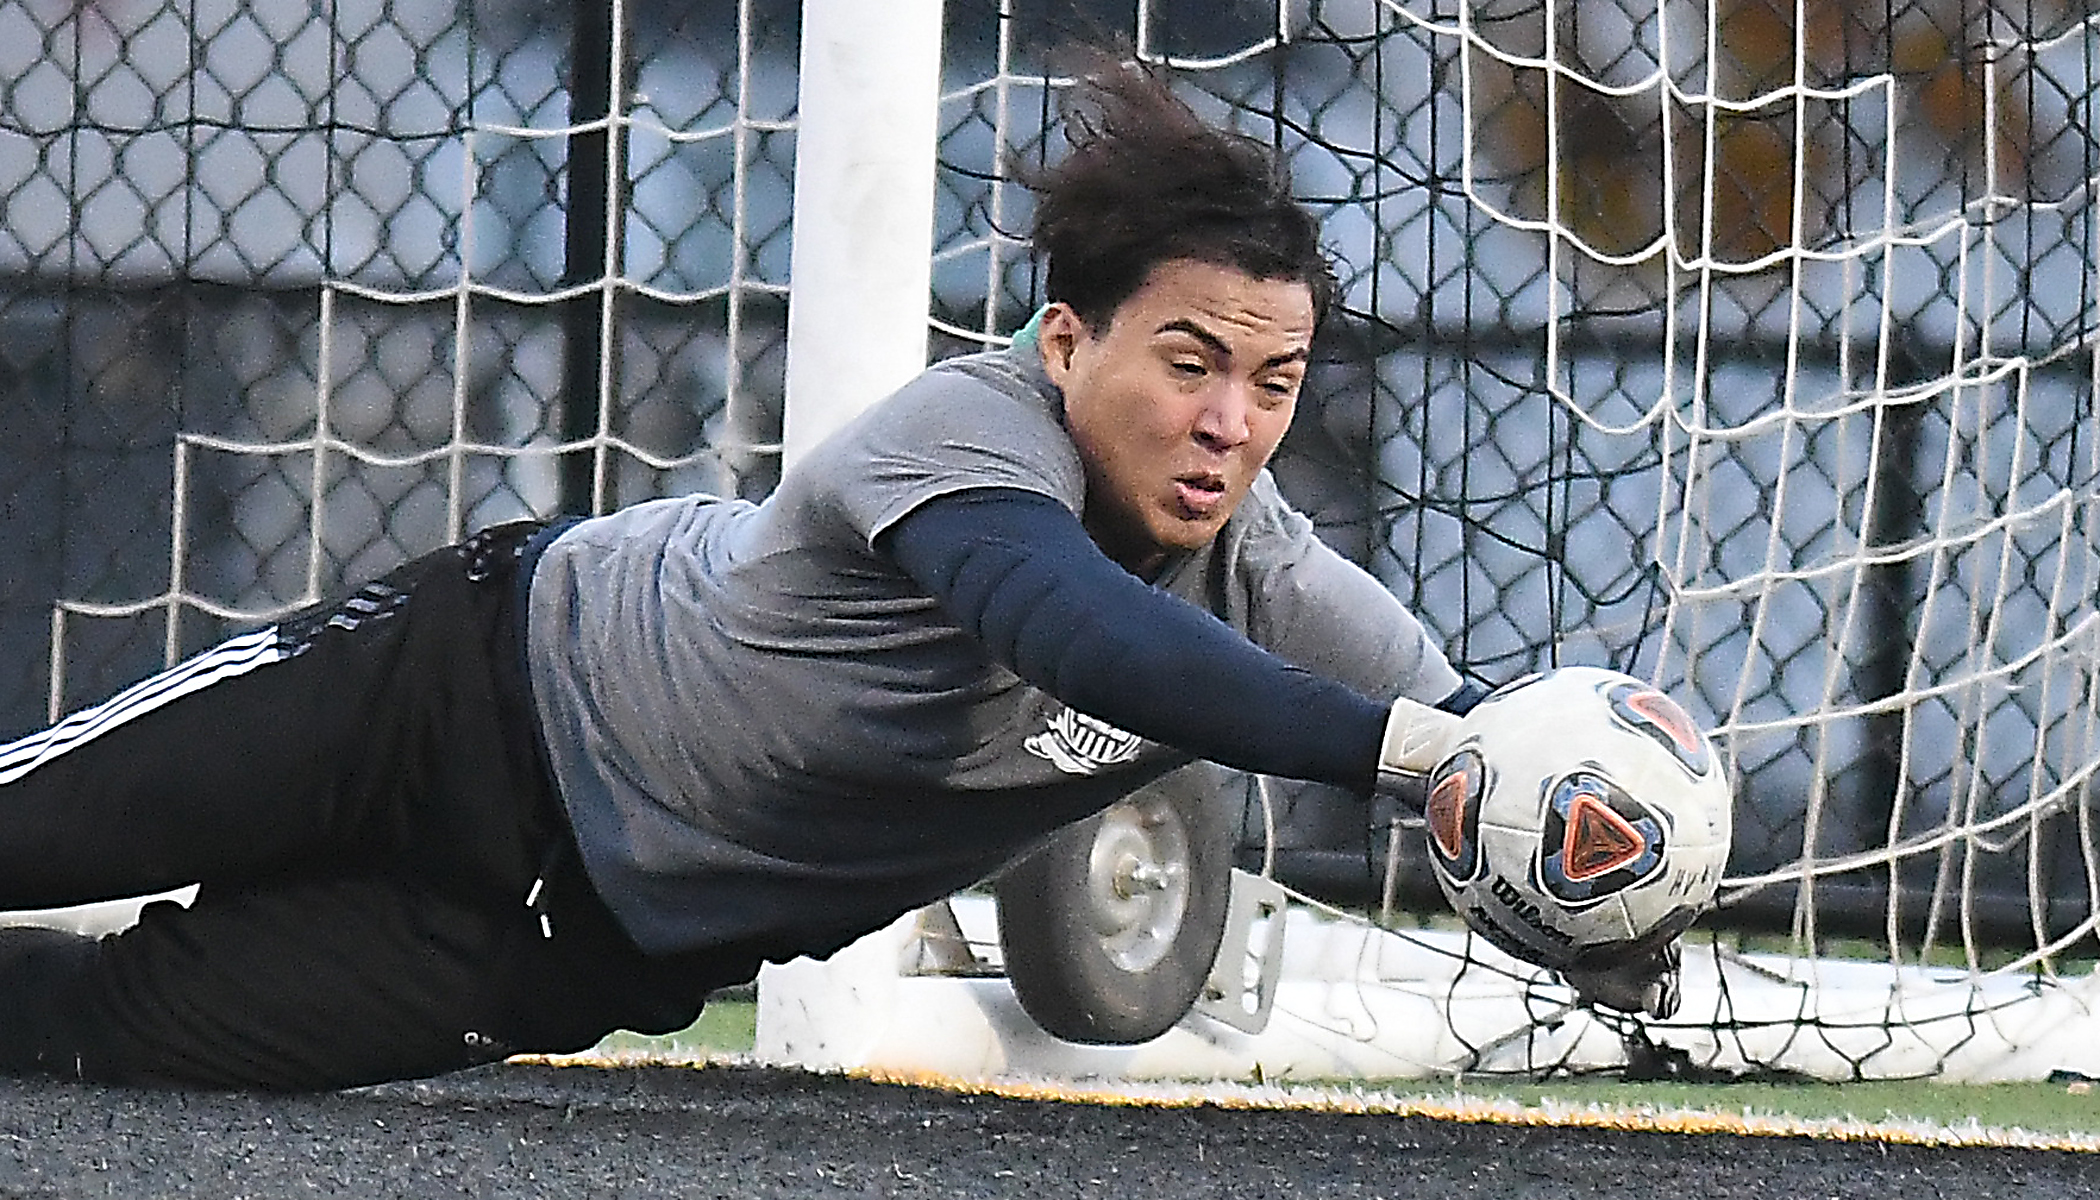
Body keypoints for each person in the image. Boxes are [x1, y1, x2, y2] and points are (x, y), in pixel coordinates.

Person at [0, 60, 1673, 1092]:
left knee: (93, 1036)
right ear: (1066, 341)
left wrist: (1587, 889)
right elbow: (1076, 635)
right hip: (458, 688)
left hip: (560, 941)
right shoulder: (968, 436)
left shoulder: (1269, 580)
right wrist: (1409, 755)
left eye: (1275, 382)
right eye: (1189, 362)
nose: (1231, 423)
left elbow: (1483, 748)